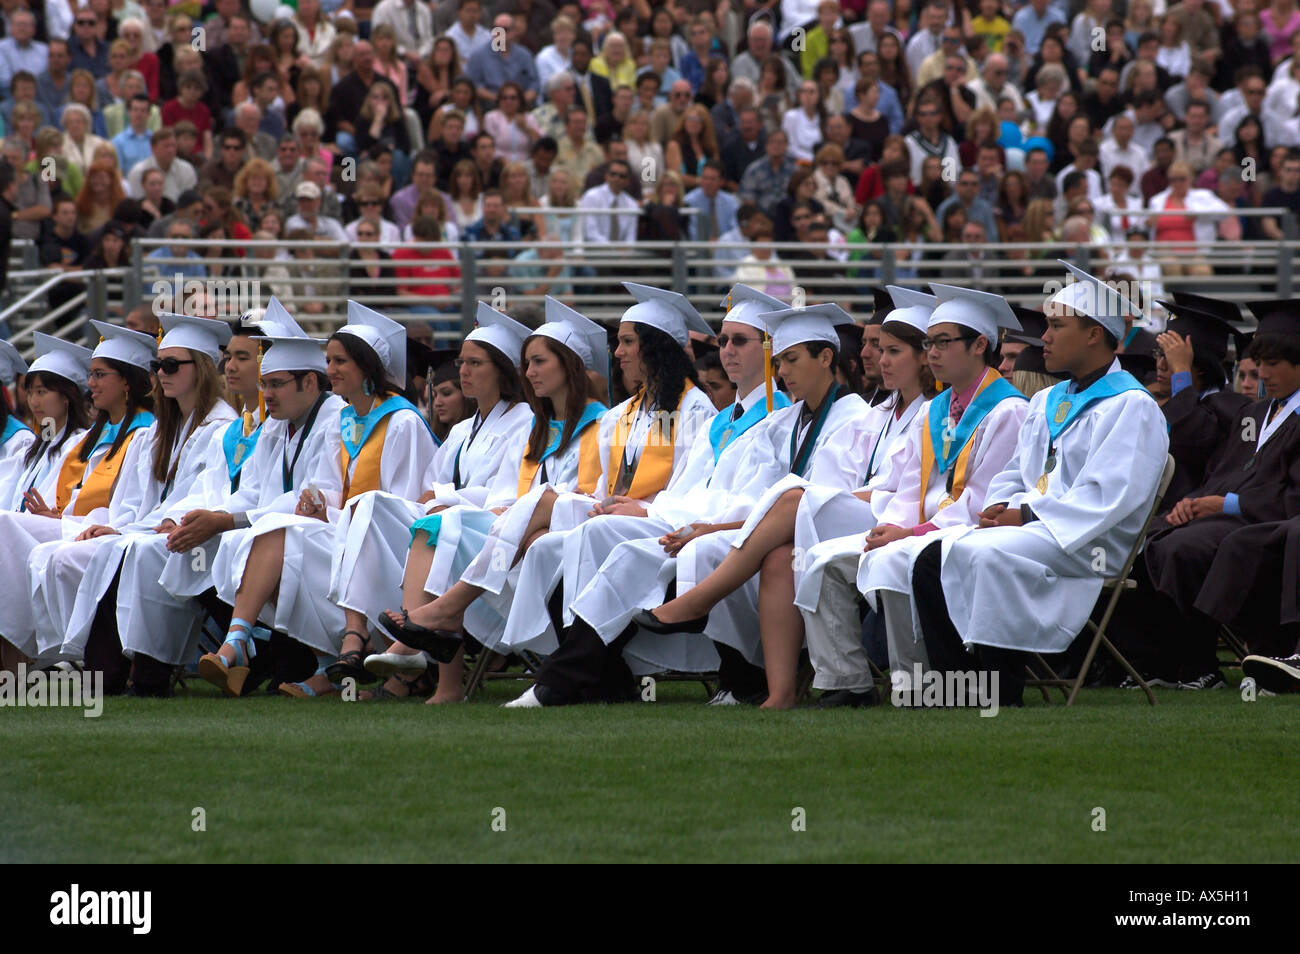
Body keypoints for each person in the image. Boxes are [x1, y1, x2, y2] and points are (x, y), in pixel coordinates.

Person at [526, 300, 874, 708]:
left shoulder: (839, 417)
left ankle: (732, 671)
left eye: (741, 342)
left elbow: (797, 499)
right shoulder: (765, 421)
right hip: (709, 522)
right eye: (723, 340)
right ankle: (589, 673)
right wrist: (661, 513)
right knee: (593, 544)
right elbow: (695, 488)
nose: (782, 371)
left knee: (679, 547)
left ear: (826, 357)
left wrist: (691, 523)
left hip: (779, 531)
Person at [386, 287, 715, 699]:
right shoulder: (625, 413)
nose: (619, 353)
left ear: (657, 347)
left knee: (536, 506)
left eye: (629, 341)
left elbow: (686, 483)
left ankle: (449, 609)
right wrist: (613, 503)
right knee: (530, 529)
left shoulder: (691, 409)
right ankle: (458, 620)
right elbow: (607, 487)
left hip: (653, 522)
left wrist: (645, 508)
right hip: (605, 514)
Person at [899, 264, 1167, 706]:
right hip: (1034, 526)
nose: (1044, 336)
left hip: (1087, 538)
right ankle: (960, 686)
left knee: (984, 554)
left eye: (1057, 326)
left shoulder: (1131, 405)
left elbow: (1110, 496)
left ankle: (1001, 689)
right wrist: (999, 505)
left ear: (1094, 335)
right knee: (933, 556)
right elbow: (1014, 472)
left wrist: (1024, 514)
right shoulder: (1047, 399)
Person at [370, 298, 610, 697]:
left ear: (568, 366)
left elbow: (594, 494)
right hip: (512, 528)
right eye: (527, 363)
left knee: (446, 526)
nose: (529, 372)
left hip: (565, 528)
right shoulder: (539, 425)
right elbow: (507, 492)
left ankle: (422, 632)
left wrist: (523, 511)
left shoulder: (602, 423)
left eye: (538, 363)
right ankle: (434, 660)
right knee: (439, 526)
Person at [203, 302, 438, 698]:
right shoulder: (346, 421)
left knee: (287, 540)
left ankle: (248, 647)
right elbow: (333, 489)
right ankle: (296, 657)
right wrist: (318, 504)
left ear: (367, 368)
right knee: (285, 539)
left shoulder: (403, 422)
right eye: (329, 360)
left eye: (340, 361)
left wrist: (340, 511)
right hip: (347, 530)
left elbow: (408, 502)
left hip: (391, 547)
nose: (331, 370)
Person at [323, 304, 534, 700]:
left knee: (440, 527)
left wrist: (444, 497)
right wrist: (438, 497)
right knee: (369, 504)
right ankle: (373, 636)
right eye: (462, 362)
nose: (465, 371)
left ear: (502, 370)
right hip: (449, 523)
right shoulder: (465, 429)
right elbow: (431, 484)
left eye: (475, 363)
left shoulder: (523, 420)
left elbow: (508, 495)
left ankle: (410, 645)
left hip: (493, 532)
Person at [1112, 299, 1300, 689]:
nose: (1263, 374)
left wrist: (1227, 504)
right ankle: (1158, 662)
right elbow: (1225, 473)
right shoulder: (1255, 414)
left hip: (1260, 518)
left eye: (1273, 365)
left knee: (1186, 549)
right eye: (1259, 364)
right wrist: (1193, 504)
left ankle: (1199, 663)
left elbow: (1287, 492)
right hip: (1220, 513)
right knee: (1152, 540)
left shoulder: (1234, 407)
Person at [0, 324, 156, 661]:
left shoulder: (143, 433)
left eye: (100, 375)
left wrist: (77, 518)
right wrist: (61, 515)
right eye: (31, 392)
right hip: (74, 524)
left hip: (109, 530)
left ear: (126, 382)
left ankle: (24, 661)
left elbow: (133, 503)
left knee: (5, 528)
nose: (92, 384)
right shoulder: (91, 437)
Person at [1153, 298, 1253, 503]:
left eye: (1170, 358)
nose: (1160, 365)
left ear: (1199, 366)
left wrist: (1181, 372)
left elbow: (1190, 441)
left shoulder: (1233, 409)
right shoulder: (1164, 404)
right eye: (1159, 354)